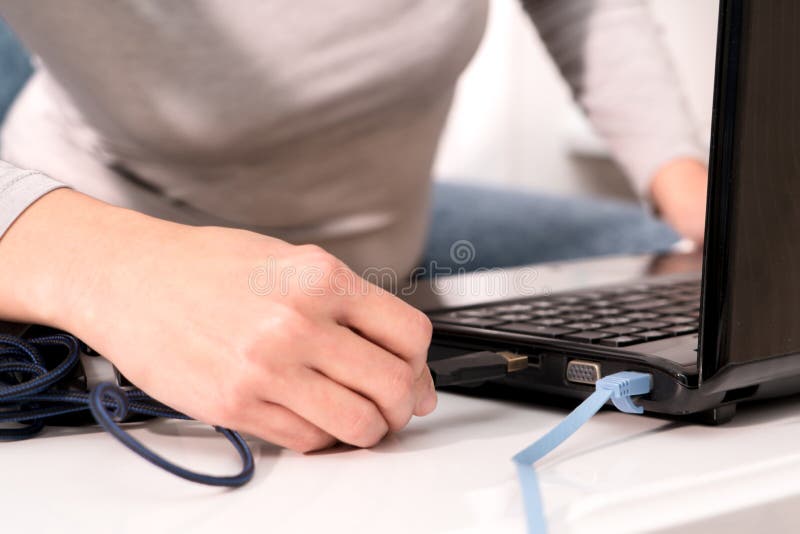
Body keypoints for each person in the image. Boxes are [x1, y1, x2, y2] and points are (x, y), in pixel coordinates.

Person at [0, 1, 708, 452]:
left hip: (386, 258)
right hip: (93, 251)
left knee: (687, 295)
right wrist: (115, 273)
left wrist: (687, 184)